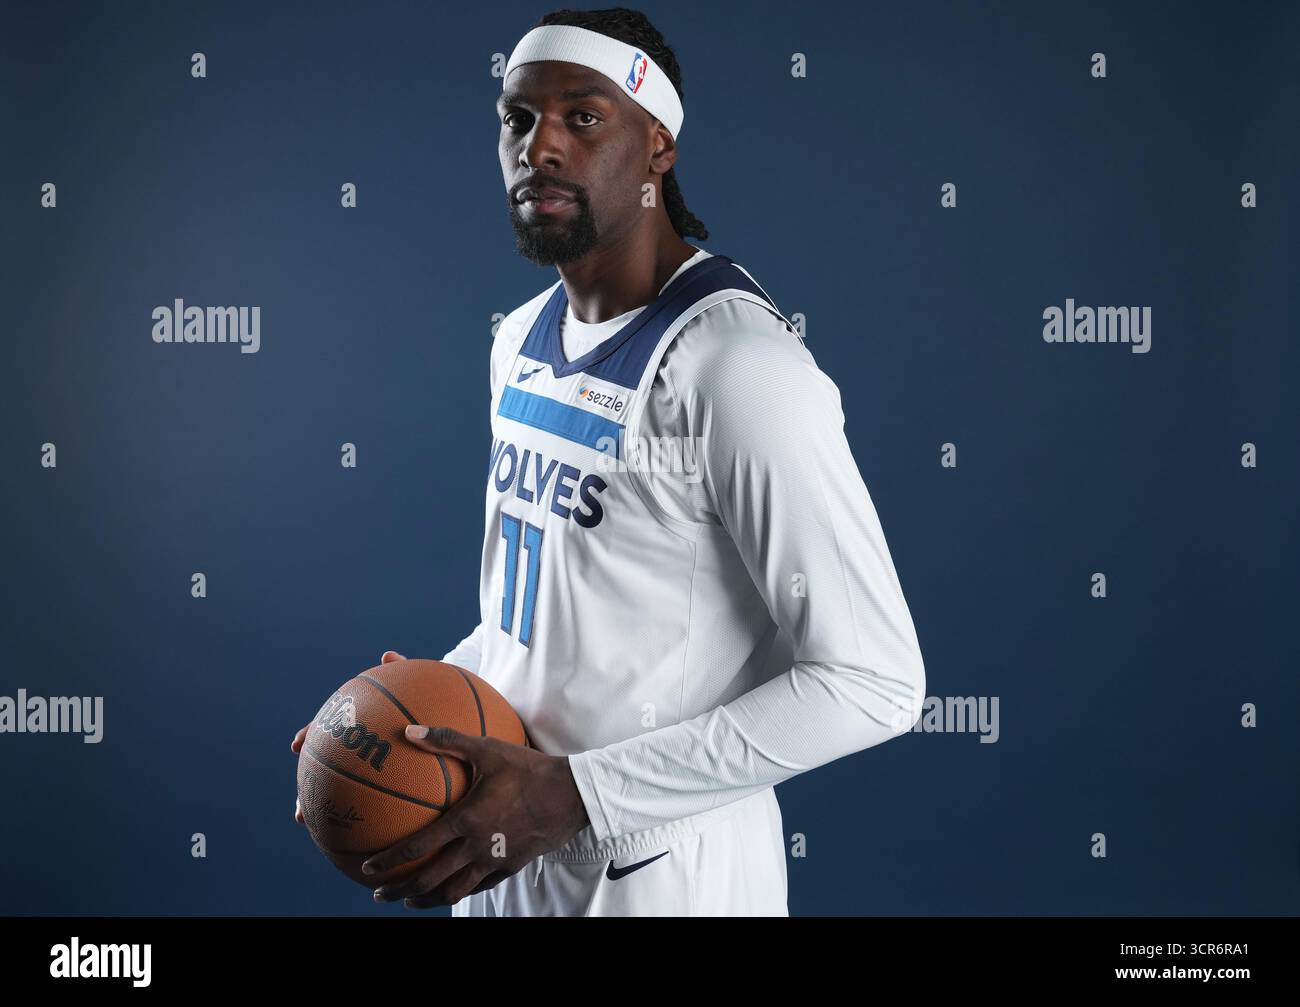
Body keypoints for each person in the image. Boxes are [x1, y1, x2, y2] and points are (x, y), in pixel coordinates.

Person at [292, 7, 926, 916]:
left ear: (658, 145)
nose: (539, 147)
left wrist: (575, 794)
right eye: (518, 118)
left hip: (663, 876)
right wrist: (391, 719)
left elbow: (876, 681)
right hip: (500, 851)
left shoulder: (739, 368)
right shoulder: (518, 338)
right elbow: (550, 623)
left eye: (582, 116)